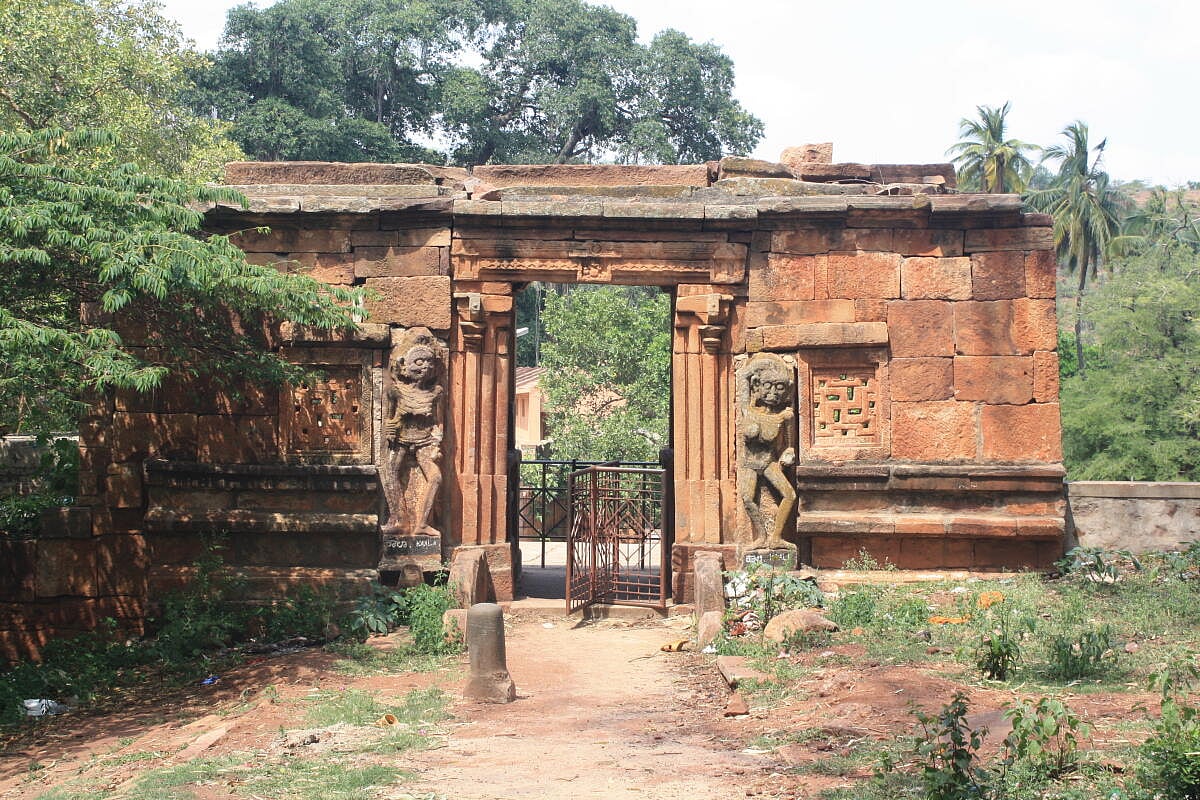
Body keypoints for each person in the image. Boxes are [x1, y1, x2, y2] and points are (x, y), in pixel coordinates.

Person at [383, 343, 444, 536]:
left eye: (429, 362)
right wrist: (391, 430)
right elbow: (389, 418)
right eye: (419, 362)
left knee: (436, 477)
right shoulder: (396, 391)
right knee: (389, 472)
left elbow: (438, 421)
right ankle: (399, 519)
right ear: (406, 365)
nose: (425, 367)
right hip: (401, 438)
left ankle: (423, 524)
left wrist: (436, 442)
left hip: (424, 441)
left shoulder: (436, 392)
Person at [738, 355, 797, 550]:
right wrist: (761, 365)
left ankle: (776, 537)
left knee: (790, 495)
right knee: (747, 498)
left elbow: (790, 444)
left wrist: (789, 452)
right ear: (757, 386)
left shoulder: (784, 416)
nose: (773, 393)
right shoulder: (748, 411)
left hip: (768, 463)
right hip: (750, 464)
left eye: (779, 388)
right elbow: (743, 377)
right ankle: (761, 537)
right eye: (768, 386)